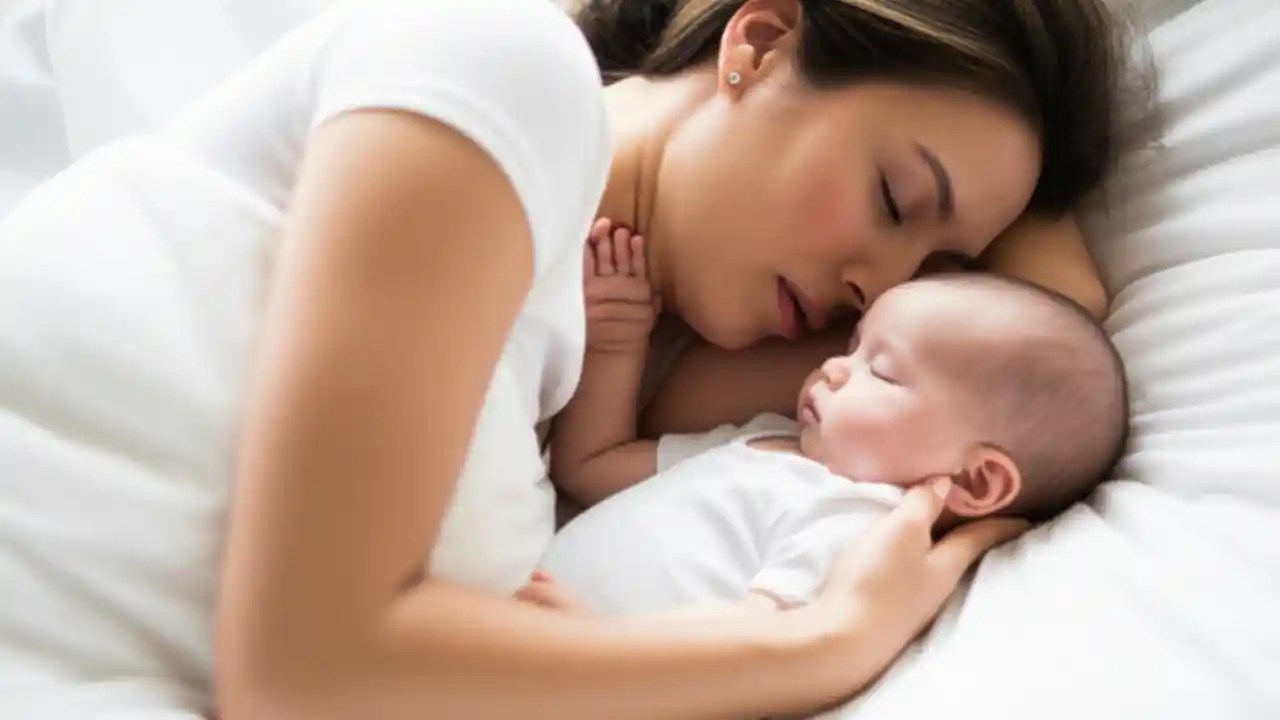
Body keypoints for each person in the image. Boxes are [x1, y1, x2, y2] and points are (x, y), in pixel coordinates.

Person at [0, 0, 1129, 717]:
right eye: (892, 197)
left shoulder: (573, 367)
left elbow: (1050, 333)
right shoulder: (505, 73)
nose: (871, 295)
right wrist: (824, 642)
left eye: (929, 272)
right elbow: (300, 675)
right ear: (760, 39)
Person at [538, 254, 1128, 617]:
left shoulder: (857, 523)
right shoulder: (768, 438)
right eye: (853, 346)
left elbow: (751, 648)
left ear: (976, 478)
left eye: (885, 370)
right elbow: (592, 467)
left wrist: (587, 642)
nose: (834, 367)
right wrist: (619, 345)